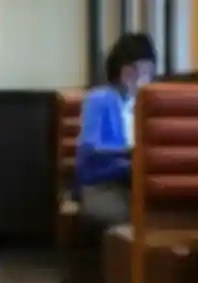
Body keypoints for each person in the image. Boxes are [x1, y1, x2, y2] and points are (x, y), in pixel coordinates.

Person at [75, 33, 156, 238]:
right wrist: (129, 157)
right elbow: (89, 151)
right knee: (138, 215)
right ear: (124, 71)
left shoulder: (143, 104)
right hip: (101, 186)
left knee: (160, 213)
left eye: (149, 73)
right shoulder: (99, 99)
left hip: (134, 184)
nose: (145, 80)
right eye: (141, 72)